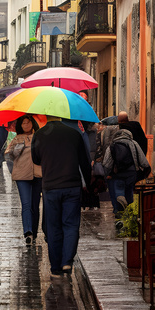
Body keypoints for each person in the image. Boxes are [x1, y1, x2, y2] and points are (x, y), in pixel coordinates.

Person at [31, 116, 92, 277]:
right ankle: (67, 261)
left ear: (45, 116)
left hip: (51, 186)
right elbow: (85, 162)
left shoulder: (40, 134)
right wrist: (89, 186)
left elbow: (35, 159)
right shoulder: (74, 133)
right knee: (71, 224)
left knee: (53, 226)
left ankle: (55, 267)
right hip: (72, 185)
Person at [7, 115, 41, 245]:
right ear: (20, 125)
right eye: (23, 123)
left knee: (35, 205)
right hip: (22, 175)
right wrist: (16, 149)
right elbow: (9, 156)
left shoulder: (39, 137)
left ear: (32, 124)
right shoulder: (16, 139)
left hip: (37, 174)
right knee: (26, 204)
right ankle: (28, 232)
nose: (26, 125)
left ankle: (35, 231)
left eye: (28, 123)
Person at [101, 128, 147, 215]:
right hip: (131, 173)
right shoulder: (134, 143)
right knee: (129, 191)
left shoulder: (112, 145)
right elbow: (142, 159)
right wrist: (145, 169)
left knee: (118, 191)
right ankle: (129, 212)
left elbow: (107, 163)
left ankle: (119, 210)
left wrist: (107, 174)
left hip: (117, 173)